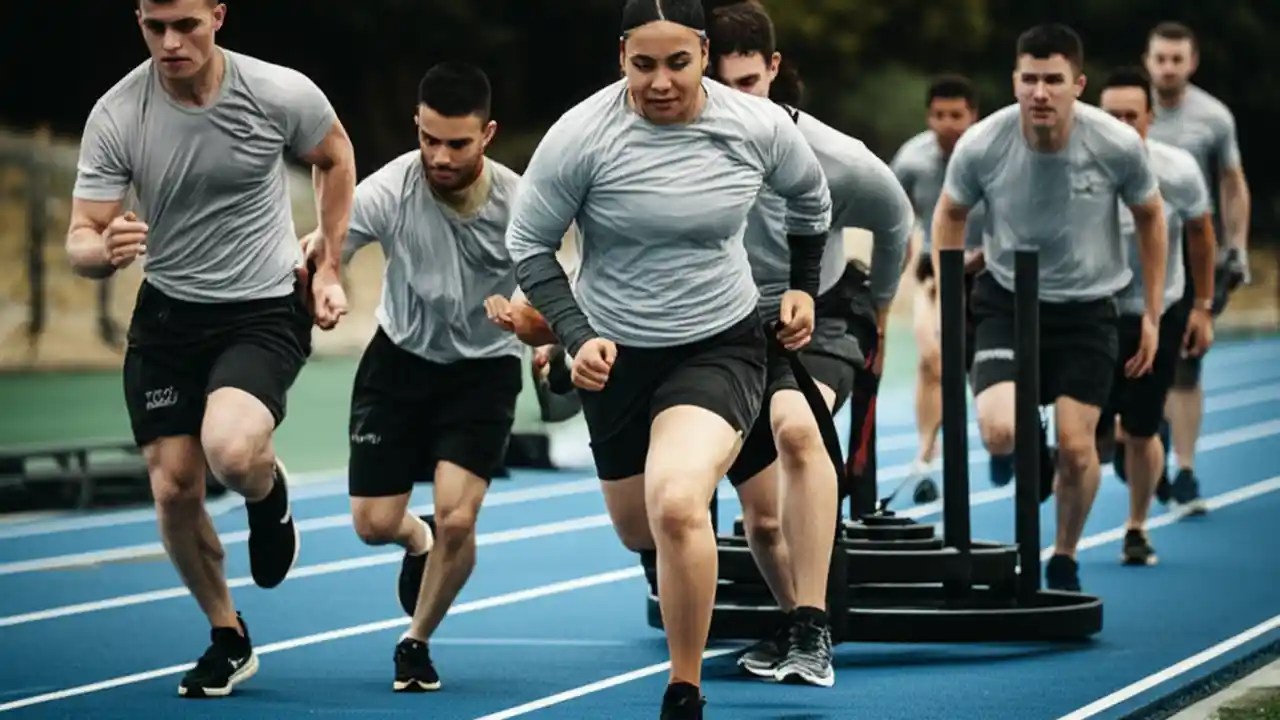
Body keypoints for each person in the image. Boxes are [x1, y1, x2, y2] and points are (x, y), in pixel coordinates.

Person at [504, 0, 833, 715]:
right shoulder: (580, 136)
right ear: (621, 55)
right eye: (643, 64)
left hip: (719, 343)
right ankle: (682, 569)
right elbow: (529, 245)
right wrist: (575, 332)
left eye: (678, 63)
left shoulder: (755, 126)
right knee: (638, 528)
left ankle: (684, 689)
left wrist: (802, 290)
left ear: (705, 53)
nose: (660, 81)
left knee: (678, 502)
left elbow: (812, 202)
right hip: (617, 353)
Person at [65, 0, 354, 699]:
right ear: (139, 19)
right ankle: (227, 633)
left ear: (218, 15)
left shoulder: (276, 92)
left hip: (261, 305)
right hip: (170, 316)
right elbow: (81, 233)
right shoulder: (117, 114)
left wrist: (331, 261)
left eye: (185, 24)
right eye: (153, 26)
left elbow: (334, 155)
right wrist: (102, 253)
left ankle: (266, 487)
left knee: (230, 450)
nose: (170, 43)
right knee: (172, 488)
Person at [706, 0, 912, 687]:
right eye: (718, 87)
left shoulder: (835, 158)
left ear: (773, 70)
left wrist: (878, 307)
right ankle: (797, 617)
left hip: (822, 309)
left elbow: (895, 218)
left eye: (747, 85)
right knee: (761, 522)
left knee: (797, 427)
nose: (734, 104)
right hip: (729, 323)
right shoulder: (682, 151)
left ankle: (814, 627)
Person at [302, 62, 524, 693]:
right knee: (373, 524)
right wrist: (322, 279)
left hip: (482, 371)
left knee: (460, 517)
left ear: (488, 134)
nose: (440, 155)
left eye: (457, 143)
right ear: (417, 128)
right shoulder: (392, 187)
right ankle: (415, 537)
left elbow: (552, 287)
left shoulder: (519, 201)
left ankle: (415, 640)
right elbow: (327, 243)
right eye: (429, 139)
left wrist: (533, 327)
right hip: (398, 361)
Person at [932, 23, 1168, 592]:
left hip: (1087, 309)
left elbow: (1152, 218)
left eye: (1053, 80)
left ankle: (1063, 554)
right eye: (1030, 79)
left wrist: (1153, 313)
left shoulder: (1114, 144)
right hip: (1007, 299)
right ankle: (1026, 446)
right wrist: (947, 294)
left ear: (1077, 85)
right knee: (997, 432)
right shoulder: (983, 144)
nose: (1041, 92)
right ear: (1014, 82)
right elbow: (950, 214)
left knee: (1079, 447)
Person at [1096, 66, 1216, 566]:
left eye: (1132, 115)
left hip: (1158, 309)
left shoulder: (1177, 169)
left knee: (1141, 429)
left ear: (1150, 118)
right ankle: (1126, 437)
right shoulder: (1075, 167)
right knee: (1092, 434)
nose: (1123, 126)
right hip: (1093, 310)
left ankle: (1136, 527)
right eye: (1112, 116)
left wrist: (1203, 308)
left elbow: (1201, 234)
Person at [1143, 21, 1251, 513]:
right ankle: (1150, 442)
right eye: (1160, 58)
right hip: (1134, 251)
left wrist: (1238, 247)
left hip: (1190, 248)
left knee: (1186, 362)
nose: (1167, 67)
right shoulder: (1127, 112)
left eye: (1176, 59)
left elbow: (1231, 184)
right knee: (1147, 361)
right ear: (1148, 60)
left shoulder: (1213, 118)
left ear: (1192, 62)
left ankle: (1184, 469)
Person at [889, 75, 996, 490]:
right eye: (939, 115)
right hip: (935, 271)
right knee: (930, 358)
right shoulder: (912, 159)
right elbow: (895, 214)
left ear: (974, 115)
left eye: (957, 115)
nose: (948, 124)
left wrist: (986, 253)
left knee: (987, 363)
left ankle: (1003, 439)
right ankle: (926, 453)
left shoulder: (992, 153)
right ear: (928, 116)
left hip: (993, 272)